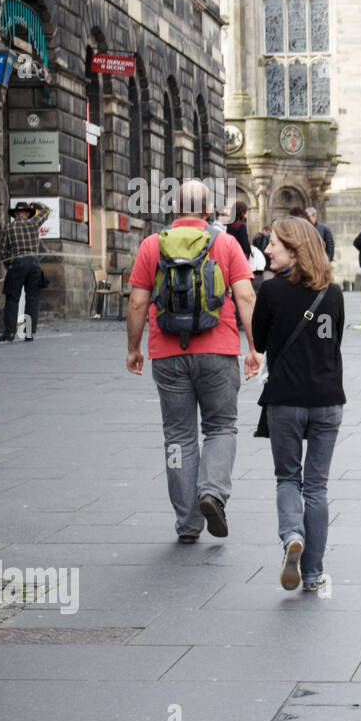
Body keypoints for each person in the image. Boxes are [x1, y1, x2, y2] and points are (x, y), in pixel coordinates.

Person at [126, 180, 262, 544]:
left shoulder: (151, 246)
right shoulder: (227, 243)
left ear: (173, 208)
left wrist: (134, 348)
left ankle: (187, 524)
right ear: (208, 211)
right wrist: (254, 346)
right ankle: (212, 492)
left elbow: (138, 303)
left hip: (167, 353)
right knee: (220, 427)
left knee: (178, 436)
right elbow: (246, 296)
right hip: (218, 350)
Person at [253, 216, 345, 591]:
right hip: (327, 400)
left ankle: (292, 534)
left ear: (294, 248)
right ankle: (312, 574)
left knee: (288, 478)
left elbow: (259, 342)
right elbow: (335, 341)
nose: (268, 249)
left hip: (286, 400)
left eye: (274, 243)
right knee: (317, 488)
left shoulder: (271, 291)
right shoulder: (334, 292)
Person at [0, 202, 50, 342]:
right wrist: (34, 204)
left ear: (16, 214)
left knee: (12, 299)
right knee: (32, 299)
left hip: (17, 263)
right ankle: (28, 333)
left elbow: (4, 251)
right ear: (27, 213)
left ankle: (10, 333)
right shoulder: (34, 223)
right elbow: (47, 210)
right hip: (34, 264)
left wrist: (9, 266)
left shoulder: (9, 227)